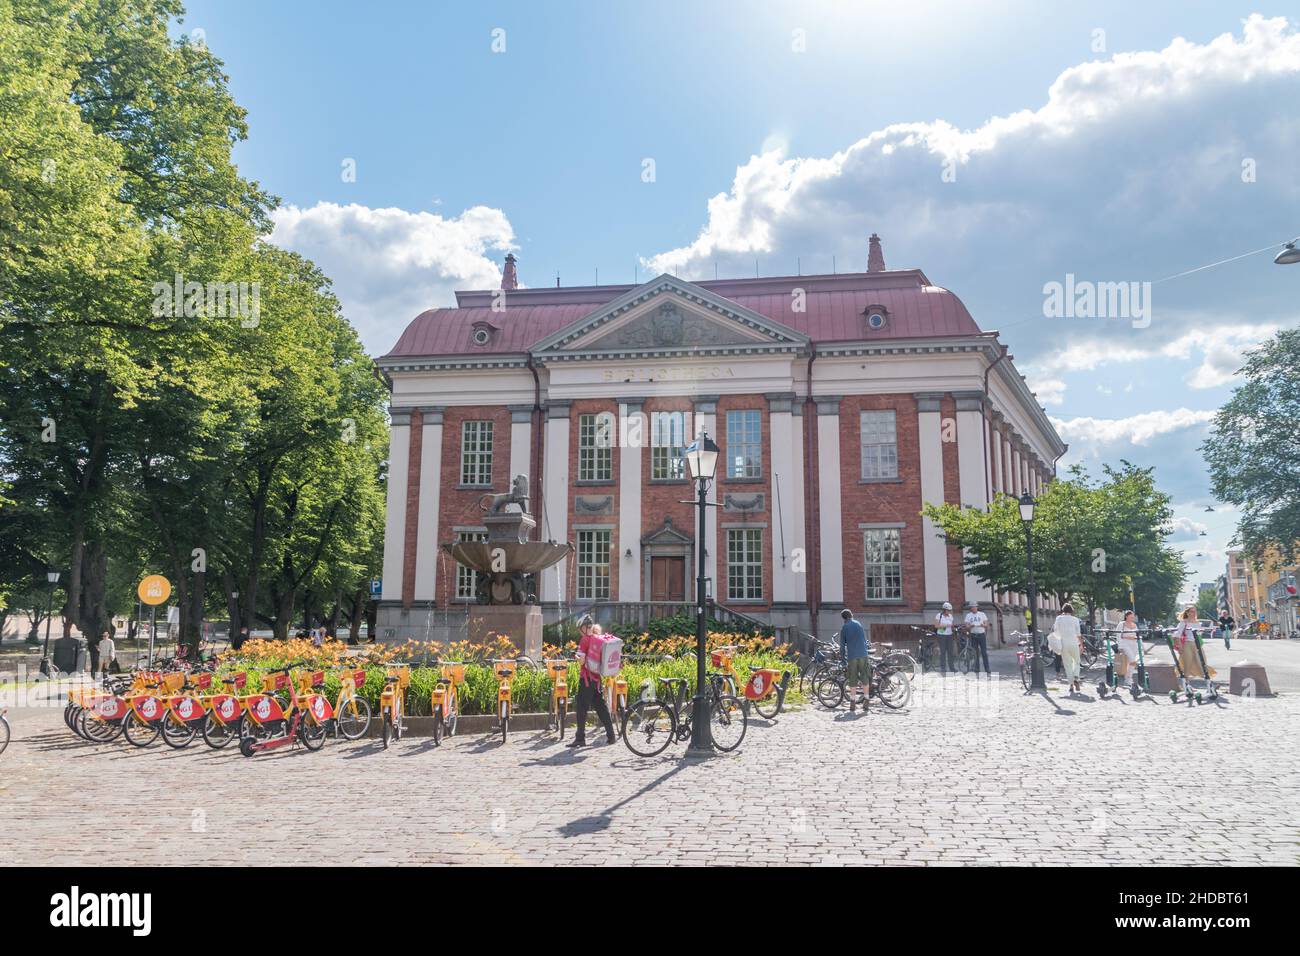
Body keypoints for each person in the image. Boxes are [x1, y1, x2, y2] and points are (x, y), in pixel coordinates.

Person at [568, 615, 616, 748]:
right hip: (597, 678)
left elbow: (582, 661)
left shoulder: (585, 639)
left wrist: (576, 656)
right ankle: (611, 736)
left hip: (586, 679)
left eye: (580, 628)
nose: (580, 631)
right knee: (601, 707)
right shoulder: (598, 639)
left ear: (584, 627)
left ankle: (580, 738)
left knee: (581, 707)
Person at [838, 608, 871, 713]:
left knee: (853, 679)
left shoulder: (844, 628)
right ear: (851, 615)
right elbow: (864, 639)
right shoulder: (858, 624)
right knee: (864, 676)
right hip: (863, 654)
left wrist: (843, 659)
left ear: (843, 618)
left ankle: (852, 702)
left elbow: (842, 646)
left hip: (852, 656)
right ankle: (866, 699)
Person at [1171, 605, 1214, 680]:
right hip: (1187, 644)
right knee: (1187, 665)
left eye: (1195, 611)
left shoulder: (1197, 623)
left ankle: (1209, 684)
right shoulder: (1183, 622)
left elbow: (1199, 634)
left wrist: (1201, 631)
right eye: (1191, 611)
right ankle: (1187, 685)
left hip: (1197, 644)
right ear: (1187, 613)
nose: (1193, 613)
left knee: (1202, 664)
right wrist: (1180, 647)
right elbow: (1177, 635)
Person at [1053, 603, 1084, 693]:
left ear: (1063, 610)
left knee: (1067, 664)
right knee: (1077, 661)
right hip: (1074, 643)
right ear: (1071, 611)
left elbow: (1056, 631)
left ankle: (1071, 685)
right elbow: (1078, 634)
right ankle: (1076, 677)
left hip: (1063, 644)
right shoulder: (1075, 619)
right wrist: (1081, 644)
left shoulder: (1059, 618)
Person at [963, 602, 991, 676]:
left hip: (981, 635)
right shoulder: (968, 615)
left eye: (974, 607)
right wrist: (970, 626)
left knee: (984, 652)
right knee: (975, 652)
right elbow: (966, 626)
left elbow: (986, 625)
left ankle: (987, 668)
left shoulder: (982, 614)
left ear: (977, 607)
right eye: (972, 607)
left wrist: (983, 625)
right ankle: (977, 668)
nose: (973, 608)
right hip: (973, 635)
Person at [1117, 609, 1140, 692]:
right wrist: (1120, 646)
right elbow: (1118, 635)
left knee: (1132, 662)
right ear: (1126, 616)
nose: (1132, 618)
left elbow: (1137, 636)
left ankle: (1127, 678)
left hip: (1133, 643)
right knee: (1133, 661)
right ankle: (1129, 679)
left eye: (1133, 616)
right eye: (1131, 616)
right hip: (1125, 643)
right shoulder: (1121, 624)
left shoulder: (1134, 625)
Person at [934, 602, 956, 673]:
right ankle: (943, 668)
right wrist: (945, 625)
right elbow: (936, 625)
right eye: (948, 610)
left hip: (949, 635)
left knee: (950, 652)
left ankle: (952, 668)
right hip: (941, 635)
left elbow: (952, 625)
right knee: (943, 652)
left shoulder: (951, 616)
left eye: (950, 610)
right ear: (944, 610)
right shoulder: (939, 615)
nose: (949, 612)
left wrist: (953, 628)